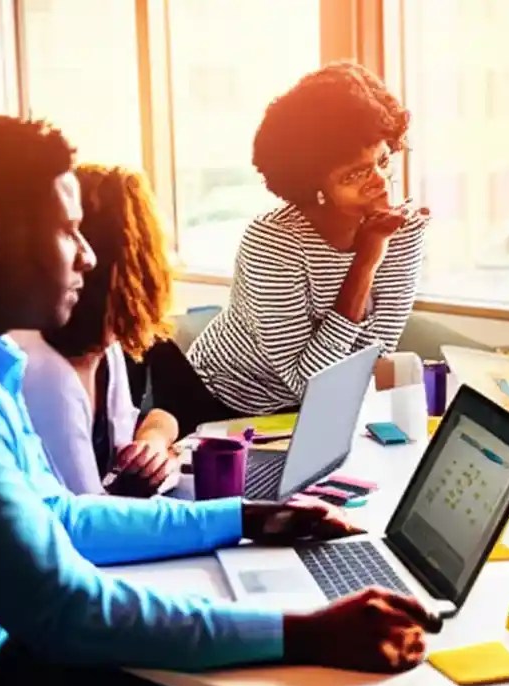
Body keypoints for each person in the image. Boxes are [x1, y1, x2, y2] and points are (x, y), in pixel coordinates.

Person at [0, 113, 439, 686]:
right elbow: (64, 610)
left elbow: (60, 514)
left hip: (0, 669)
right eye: (69, 231)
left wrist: (248, 517)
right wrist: (308, 633)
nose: (89, 258)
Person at [153, 60, 430, 433]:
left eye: (382, 160)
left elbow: (368, 359)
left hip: (308, 415)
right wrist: (365, 262)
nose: (380, 181)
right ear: (315, 187)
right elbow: (308, 382)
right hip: (219, 407)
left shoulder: (402, 233)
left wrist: (377, 247)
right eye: (356, 173)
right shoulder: (272, 242)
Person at [16, 164, 179, 497]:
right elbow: (88, 519)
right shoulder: (45, 374)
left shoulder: (106, 348)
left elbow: (153, 419)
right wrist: (237, 519)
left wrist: (153, 443)